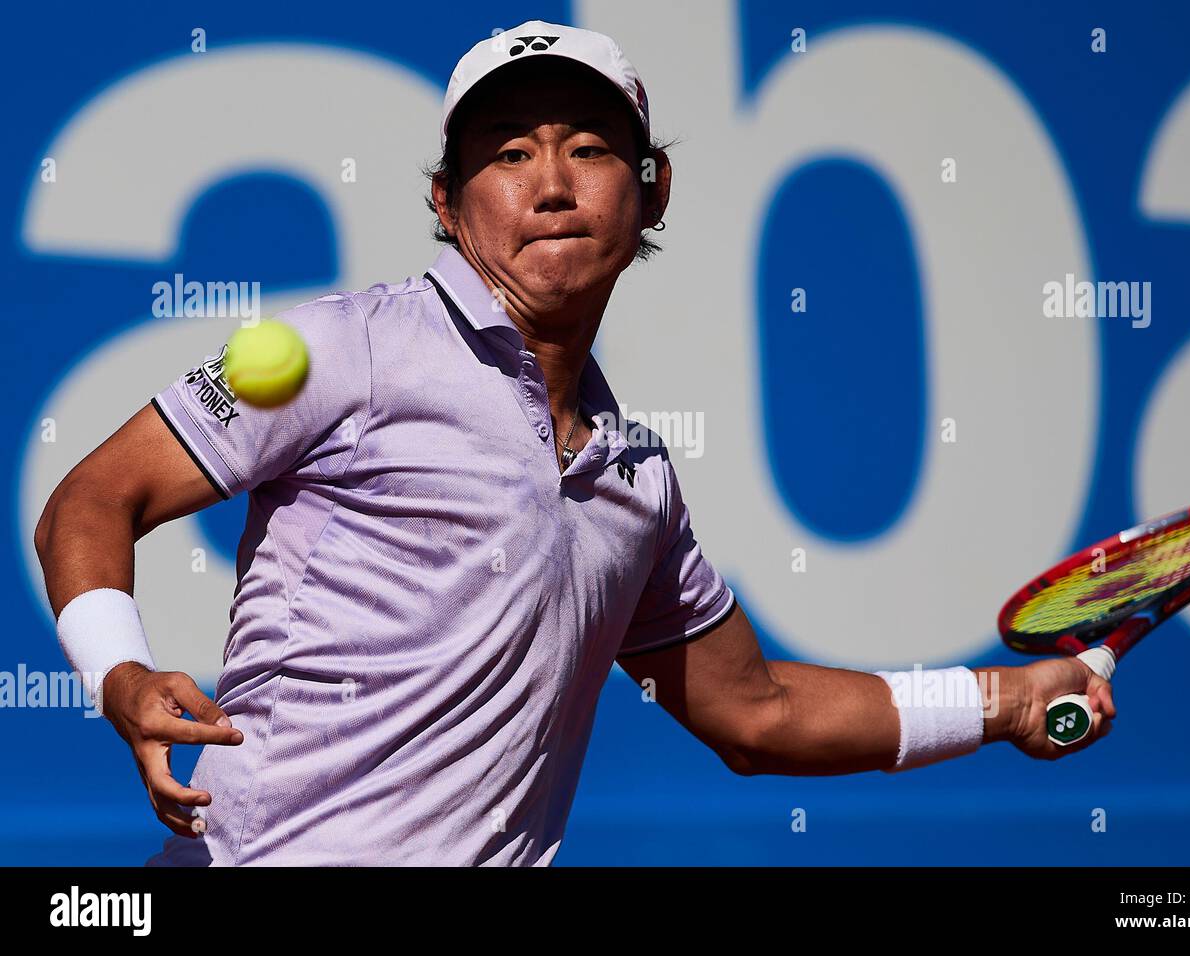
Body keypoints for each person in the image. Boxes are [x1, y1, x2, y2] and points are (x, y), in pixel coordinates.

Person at [33, 19, 1115, 867]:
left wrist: (1005, 699)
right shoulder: (334, 348)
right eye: (509, 153)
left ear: (652, 190)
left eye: (590, 148)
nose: (551, 183)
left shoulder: (635, 480)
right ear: (448, 205)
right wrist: (119, 671)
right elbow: (91, 497)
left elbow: (756, 712)